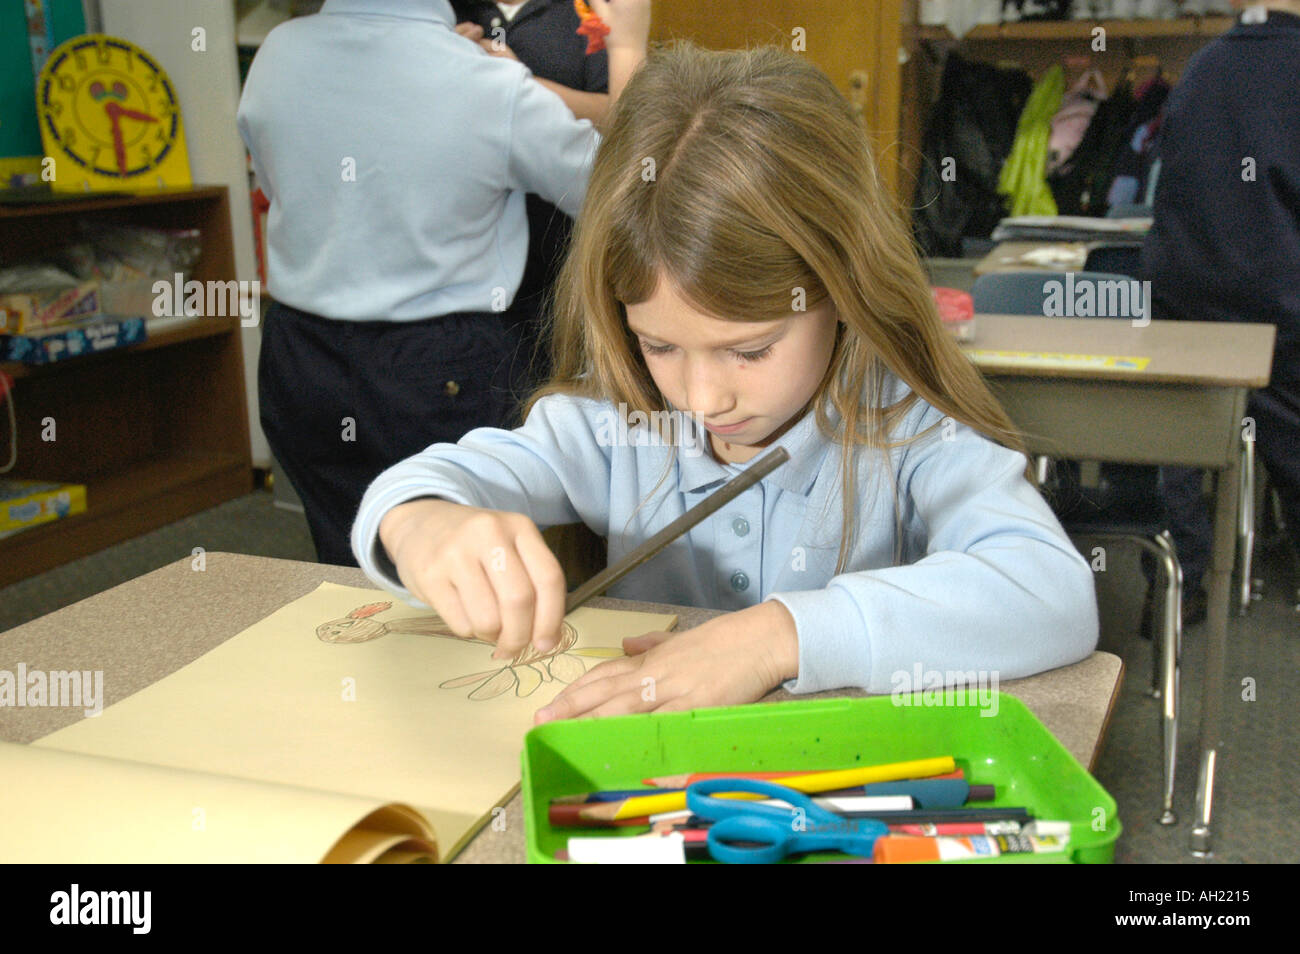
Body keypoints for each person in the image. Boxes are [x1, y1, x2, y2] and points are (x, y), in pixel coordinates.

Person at [352, 43, 1099, 721]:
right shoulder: (619, 423)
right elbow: (440, 481)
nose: (703, 400)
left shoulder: (907, 429)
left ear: (841, 289)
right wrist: (420, 518)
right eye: (660, 345)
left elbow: (1052, 593)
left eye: (749, 350)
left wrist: (780, 637)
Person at [236, 0, 647, 566]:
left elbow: (276, 170)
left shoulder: (276, 55)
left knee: (347, 566)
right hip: (437, 373)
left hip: (298, 358)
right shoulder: (485, 83)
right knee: (472, 576)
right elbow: (622, 194)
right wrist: (628, 52)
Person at [1142, 0, 1300, 616]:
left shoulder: (1201, 70)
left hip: (1189, 324)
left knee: (1178, 439)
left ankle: (1179, 585)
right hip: (1282, 328)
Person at [449, 0, 612, 393]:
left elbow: (619, 115)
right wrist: (440, 62)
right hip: (461, 282)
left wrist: (511, 82)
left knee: (559, 400)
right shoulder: (445, 11)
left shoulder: (587, 12)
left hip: (565, 257)